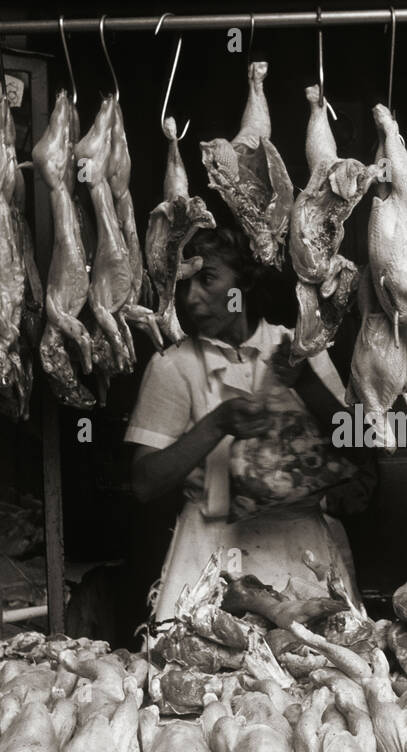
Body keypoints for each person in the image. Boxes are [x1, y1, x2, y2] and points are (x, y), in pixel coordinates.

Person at [126, 226, 363, 621]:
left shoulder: (299, 346)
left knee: (320, 671)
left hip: (301, 551)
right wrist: (216, 424)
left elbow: (357, 446)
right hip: (208, 554)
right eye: (183, 285)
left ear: (244, 285)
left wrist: (305, 383)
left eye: (207, 279)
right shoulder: (173, 366)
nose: (192, 298)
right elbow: (145, 484)